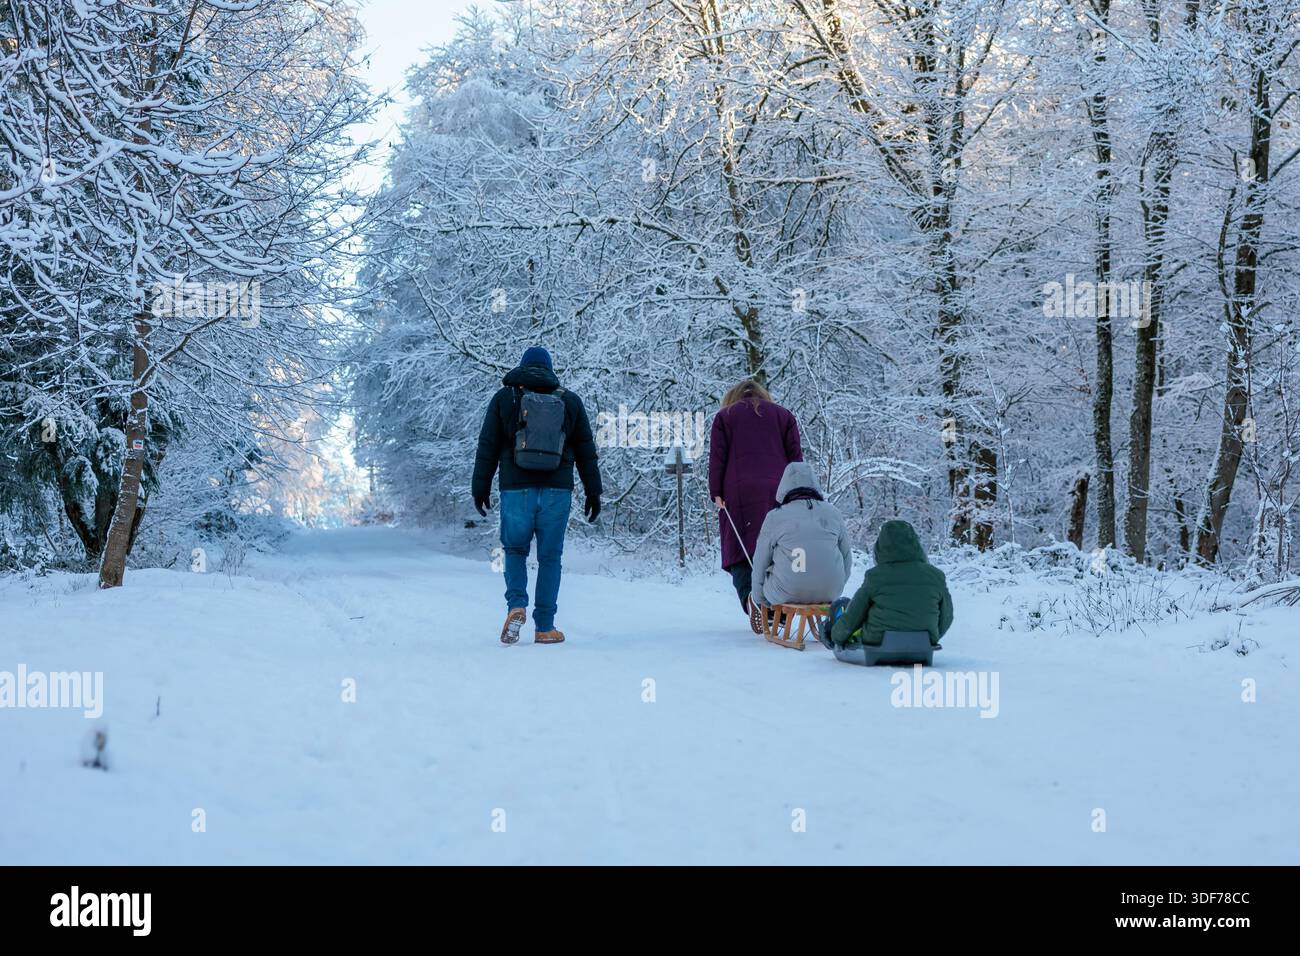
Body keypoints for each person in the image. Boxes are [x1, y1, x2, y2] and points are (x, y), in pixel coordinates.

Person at [472, 347, 602, 645]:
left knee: (515, 551)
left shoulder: (505, 399)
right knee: (550, 557)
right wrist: (593, 491)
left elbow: (487, 445)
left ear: (522, 368)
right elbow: (586, 451)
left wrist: (480, 486)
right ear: (550, 369)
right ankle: (544, 627)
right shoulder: (569, 401)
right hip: (557, 490)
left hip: (517, 488)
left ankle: (517, 605)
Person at [707, 379, 802, 618]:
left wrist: (716, 492)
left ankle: (753, 600)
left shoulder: (725, 417)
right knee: (778, 546)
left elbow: (717, 458)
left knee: (741, 548)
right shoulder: (784, 416)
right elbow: (796, 460)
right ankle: (780, 604)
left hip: (738, 491)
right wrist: (799, 492)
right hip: (779, 490)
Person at [826, 519, 954, 648]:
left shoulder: (875, 576)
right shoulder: (935, 576)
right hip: (923, 642)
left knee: (845, 609)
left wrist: (836, 637)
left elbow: (854, 616)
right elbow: (946, 616)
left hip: (878, 641)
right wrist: (932, 636)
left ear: (880, 547)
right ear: (916, 545)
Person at [750, 461, 853, 611]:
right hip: (831, 590)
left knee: (771, 566)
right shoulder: (833, 513)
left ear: (784, 485)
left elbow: (760, 560)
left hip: (787, 590)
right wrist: (838, 584)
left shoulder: (775, 517)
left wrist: (759, 598)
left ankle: (767, 613)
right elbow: (846, 557)